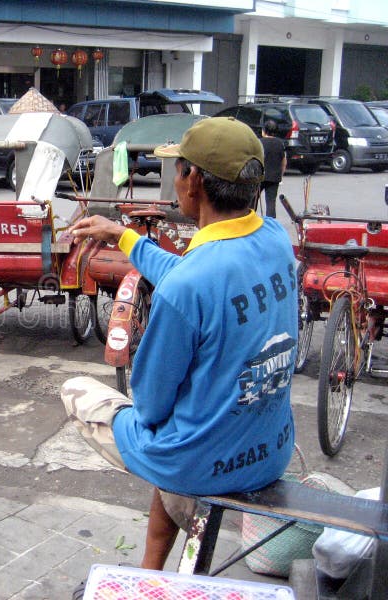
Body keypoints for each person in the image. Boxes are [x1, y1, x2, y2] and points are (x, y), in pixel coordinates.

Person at [63, 117, 297, 570]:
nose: (175, 181)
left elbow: (149, 406)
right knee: (190, 411)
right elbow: (193, 281)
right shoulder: (274, 240)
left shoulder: (188, 286)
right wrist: (123, 236)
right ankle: (153, 572)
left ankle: (160, 564)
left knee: (77, 390)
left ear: (194, 182)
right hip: (271, 450)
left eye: (178, 169)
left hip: (202, 462)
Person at [259, 119, 287, 218]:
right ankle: (271, 223)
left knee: (252, 201)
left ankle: (250, 222)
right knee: (271, 202)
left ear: (264, 130)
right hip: (274, 176)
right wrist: (281, 174)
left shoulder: (259, 142)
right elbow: (283, 161)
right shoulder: (280, 143)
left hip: (260, 176)